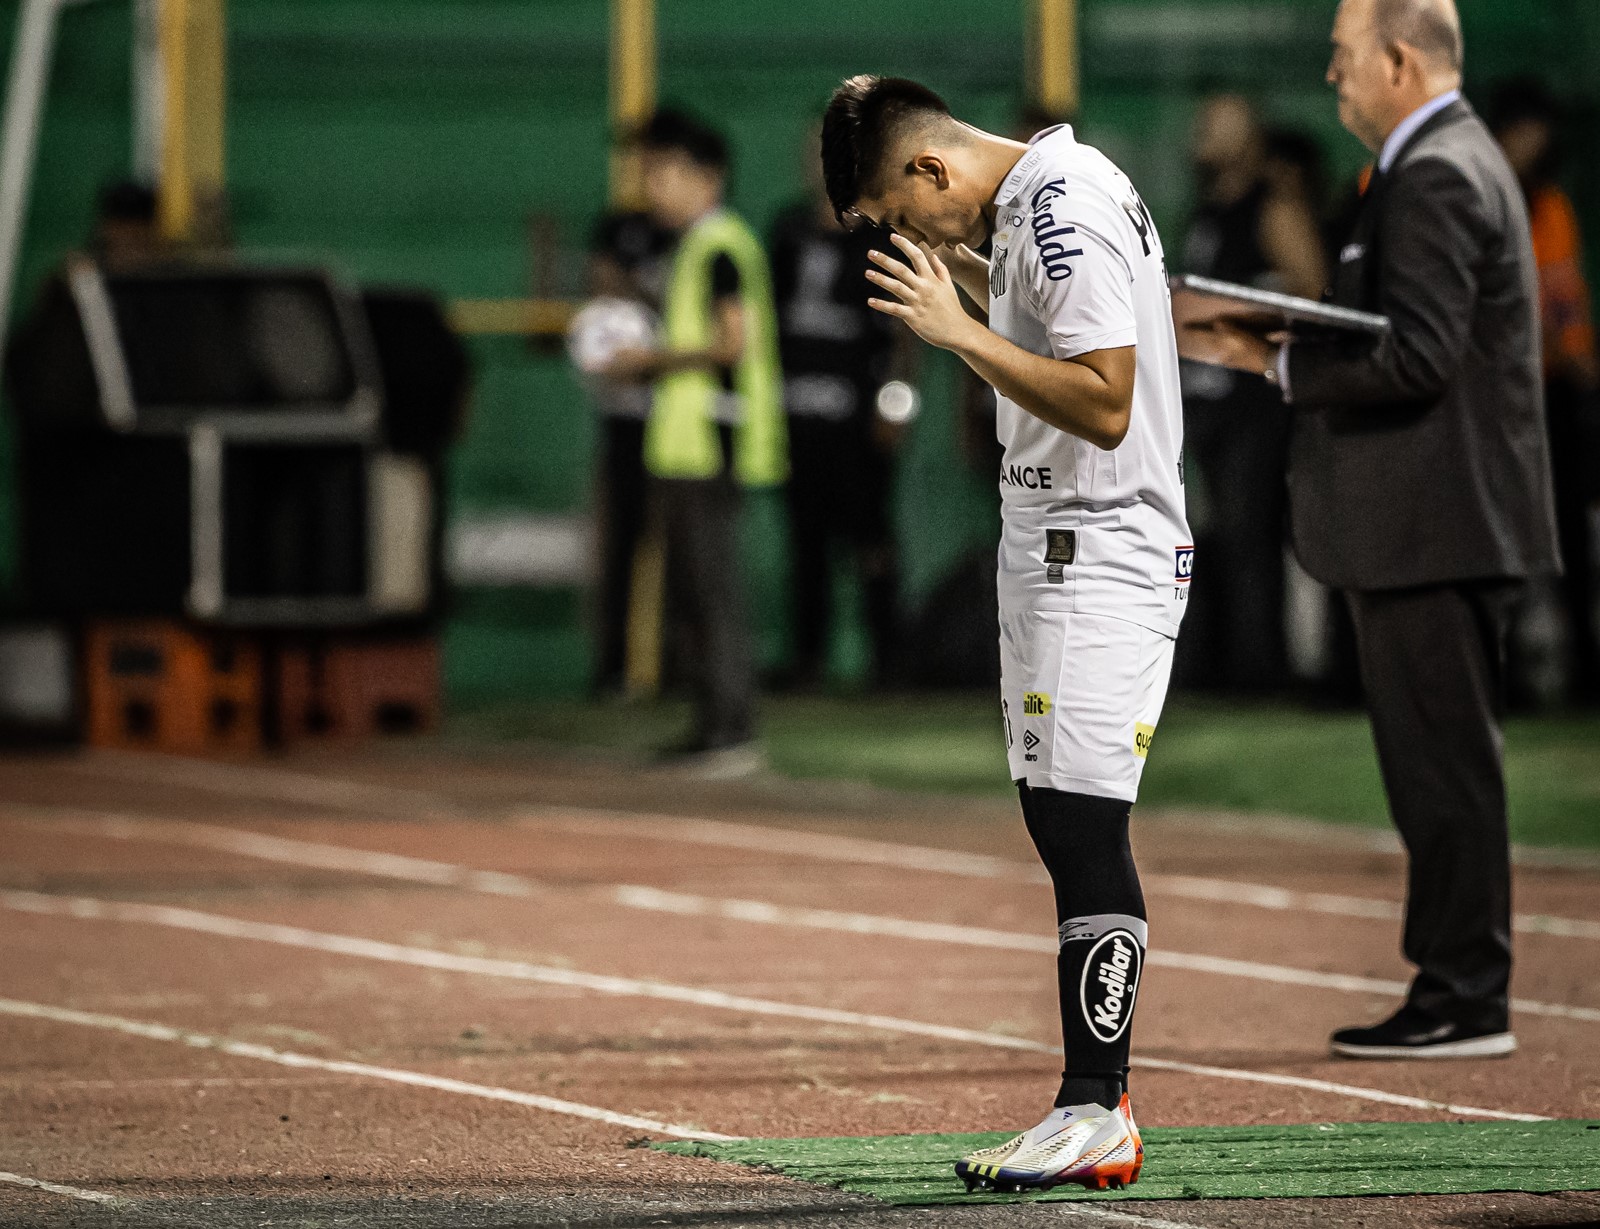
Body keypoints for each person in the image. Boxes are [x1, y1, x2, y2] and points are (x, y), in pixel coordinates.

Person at [822, 75, 1189, 1191]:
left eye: (894, 212)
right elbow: (1050, 311)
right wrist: (969, 289)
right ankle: (1086, 1101)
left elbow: (1104, 395)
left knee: (1082, 825)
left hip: (1101, 548)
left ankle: (1099, 1102)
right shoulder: (1034, 204)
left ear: (930, 168)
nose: (902, 235)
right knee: (1054, 815)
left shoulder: (1061, 201)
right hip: (1050, 540)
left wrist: (955, 333)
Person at [1179, 0, 1560, 1058]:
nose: (1333, 77)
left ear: (1398, 59)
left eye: (1344, 59)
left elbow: (1421, 354)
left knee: (1442, 770)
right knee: (1435, 766)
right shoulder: (1444, 158)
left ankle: (1465, 992)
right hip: (1437, 516)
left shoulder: (1436, 169)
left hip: (1436, 520)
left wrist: (1276, 357)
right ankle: (1451, 983)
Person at [602, 109, 786, 773]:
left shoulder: (721, 246)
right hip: (686, 444)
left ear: (706, 176)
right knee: (691, 589)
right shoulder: (693, 246)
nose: (651, 187)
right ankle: (712, 722)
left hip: (711, 440)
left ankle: (732, 729)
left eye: (661, 172)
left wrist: (643, 361)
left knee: (713, 589)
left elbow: (732, 340)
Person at [1177, 94, 1327, 694]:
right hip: (1204, 401)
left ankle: (1260, 677)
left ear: (1250, 136)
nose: (1204, 133)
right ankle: (1217, 670)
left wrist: (1260, 343)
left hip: (1253, 407)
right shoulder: (1207, 209)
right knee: (1205, 542)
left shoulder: (1274, 207)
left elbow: (1315, 298)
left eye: (1219, 122)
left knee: (1250, 540)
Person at [769, 134, 904, 689]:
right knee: (806, 542)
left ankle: (889, 660)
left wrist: (895, 405)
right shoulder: (786, 231)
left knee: (870, 537)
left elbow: (903, 332)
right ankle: (809, 660)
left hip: (856, 417)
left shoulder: (878, 238)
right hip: (794, 414)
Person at [1491, 80, 1600, 705]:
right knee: (1498, 545)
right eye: (1530, 129)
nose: (1541, 142)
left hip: (1550, 397)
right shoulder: (1480, 198)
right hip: (1495, 400)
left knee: (1569, 545)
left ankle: (1583, 674)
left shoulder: (1551, 205)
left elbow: (1565, 300)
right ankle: (1503, 681)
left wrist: (1583, 369)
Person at [581, 206, 675, 696]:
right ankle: (612, 667)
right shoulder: (598, 316)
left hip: (674, 431)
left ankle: (676, 666)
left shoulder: (667, 307)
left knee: (678, 553)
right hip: (624, 433)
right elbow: (611, 368)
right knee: (618, 555)